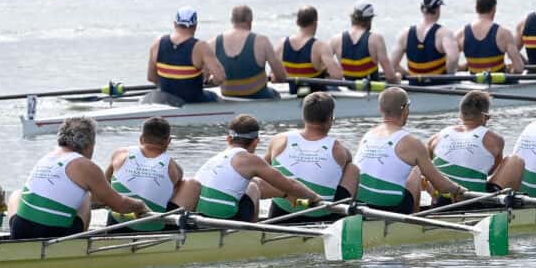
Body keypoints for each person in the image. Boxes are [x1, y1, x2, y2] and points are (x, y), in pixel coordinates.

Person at [8, 117, 149, 238]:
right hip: (54, 234)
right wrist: (140, 205)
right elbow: (120, 205)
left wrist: (102, 200)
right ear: (88, 146)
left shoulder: (48, 156)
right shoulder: (85, 165)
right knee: (86, 195)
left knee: (16, 194)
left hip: (20, 231)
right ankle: (78, 243)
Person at [174, 114, 321, 222]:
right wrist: (315, 198)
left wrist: (287, 194)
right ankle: (254, 231)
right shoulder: (249, 160)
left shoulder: (215, 159)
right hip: (224, 219)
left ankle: (292, 199)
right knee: (252, 187)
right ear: (256, 142)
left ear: (229, 139)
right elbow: (291, 184)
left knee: (257, 183)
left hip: (200, 217)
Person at [354, 87, 469, 213]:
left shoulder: (367, 136)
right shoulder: (412, 143)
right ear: (406, 109)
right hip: (391, 207)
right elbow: (441, 185)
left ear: (380, 109)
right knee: (416, 169)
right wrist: (460, 190)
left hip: (360, 204)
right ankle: (414, 219)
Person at [263, 92, 359, 220]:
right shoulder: (339, 150)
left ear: (303, 117)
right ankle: (344, 219)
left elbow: (262, 174)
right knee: (352, 169)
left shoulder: (278, 140)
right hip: (319, 214)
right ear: (330, 118)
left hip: (280, 214)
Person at [105, 117, 184, 231]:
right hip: (151, 229)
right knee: (187, 185)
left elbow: (105, 183)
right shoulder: (175, 168)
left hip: (116, 226)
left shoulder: (120, 154)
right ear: (168, 141)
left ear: (141, 139)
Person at [426, 91, 504, 206]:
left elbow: (424, 170)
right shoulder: (495, 140)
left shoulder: (436, 138)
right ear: (485, 117)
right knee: (512, 161)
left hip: (441, 202)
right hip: (474, 201)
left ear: (460, 115)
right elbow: (492, 171)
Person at [145, 6, 225, 105]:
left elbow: (151, 77)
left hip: (165, 99)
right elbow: (220, 77)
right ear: (195, 25)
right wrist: (210, 82)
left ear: (175, 24)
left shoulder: (157, 43)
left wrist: (170, 87)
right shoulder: (201, 46)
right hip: (194, 99)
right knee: (216, 97)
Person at [209, 5, 287, 99]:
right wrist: (274, 78)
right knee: (276, 94)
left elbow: (205, 76)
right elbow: (281, 76)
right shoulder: (262, 41)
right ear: (250, 22)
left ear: (232, 21)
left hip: (229, 95)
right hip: (258, 96)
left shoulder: (213, 43)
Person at [390, 0, 460, 84]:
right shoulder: (444, 33)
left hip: (415, 85)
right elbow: (453, 58)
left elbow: (392, 64)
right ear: (438, 9)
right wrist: (449, 75)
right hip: (440, 85)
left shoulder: (405, 34)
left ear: (422, 9)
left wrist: (409, 76)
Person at [329, 1, 400, 82]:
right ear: (370, 20)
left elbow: (323, 67)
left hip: (347, 88)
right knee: (397, 76)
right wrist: (397, 78)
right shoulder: (376, 39)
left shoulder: (336, 40)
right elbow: (390, 76)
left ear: (352, 18)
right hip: (371, 90)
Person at [277, 5, 344, 89]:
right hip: (316, 97)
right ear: (315, 22)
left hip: (294, 91)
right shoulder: (320, 46)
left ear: (297, 22)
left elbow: (274, 74)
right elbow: (337, 76)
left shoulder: (282, 43)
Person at [458, 0, 524, 75]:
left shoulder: (461, 34)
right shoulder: (504, 33)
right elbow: (519, 68)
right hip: (499, 83)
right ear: (494, 9)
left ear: (476, 8)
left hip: (473, 82)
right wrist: (511, 73)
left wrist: (466, 66)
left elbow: (452, 63)